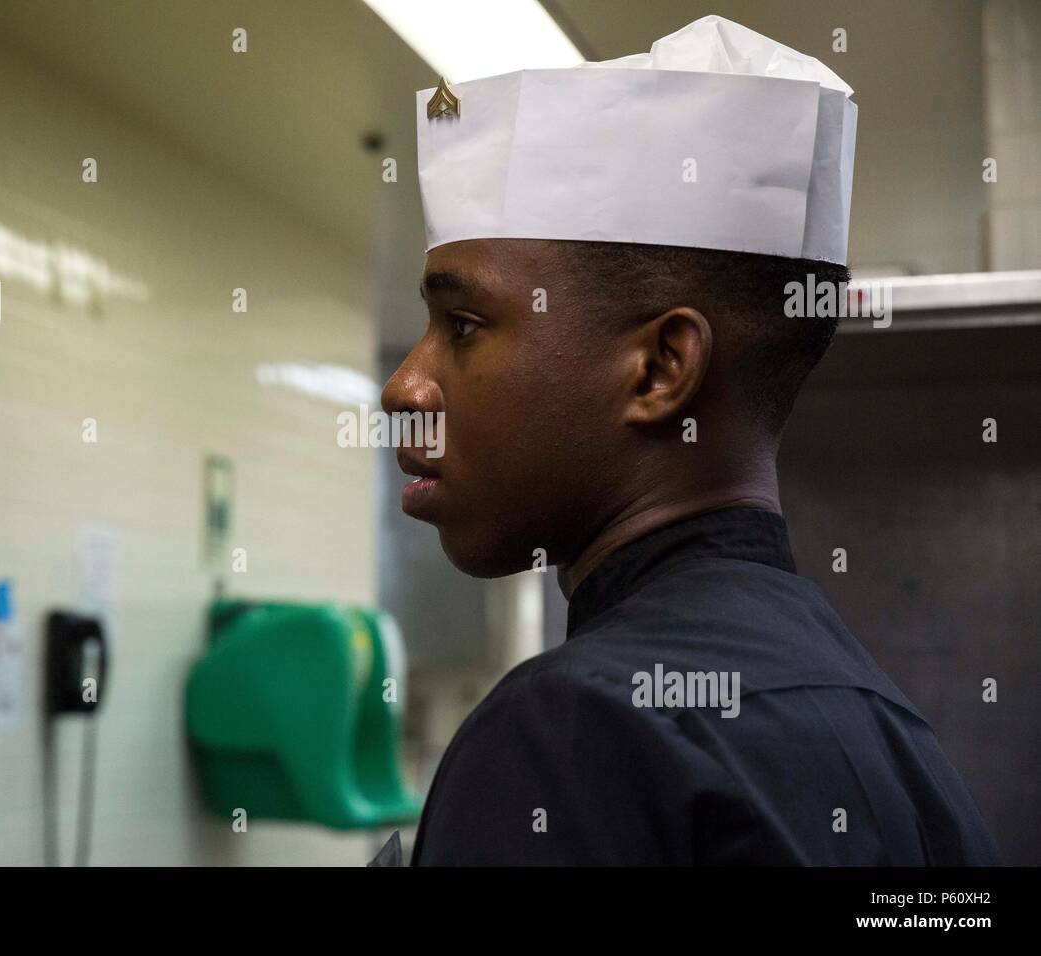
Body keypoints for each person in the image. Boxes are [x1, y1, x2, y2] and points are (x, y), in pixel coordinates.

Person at [382, 16, 1000, 865]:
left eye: (462, 323)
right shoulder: (890, 731)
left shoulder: (574, 733)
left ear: (660, 368)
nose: (403, 388)